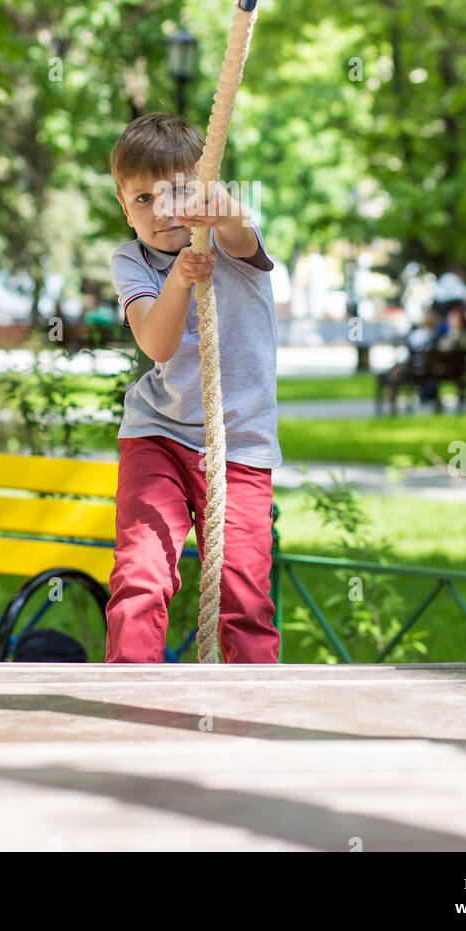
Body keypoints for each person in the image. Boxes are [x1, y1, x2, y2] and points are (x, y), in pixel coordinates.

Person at [106, 112, 281, 664]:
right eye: (142, 200)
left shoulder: (229, 241)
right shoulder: (131, 260)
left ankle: (253, 715)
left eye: (176, 193)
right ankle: (129, 702)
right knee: (140, 574)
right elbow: (156, 343)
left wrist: (217, 208)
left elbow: (239, 228)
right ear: (123, 207)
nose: (161, 212)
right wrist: (180, 277)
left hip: (239, 446)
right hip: (157, 435)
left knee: (243, 595)